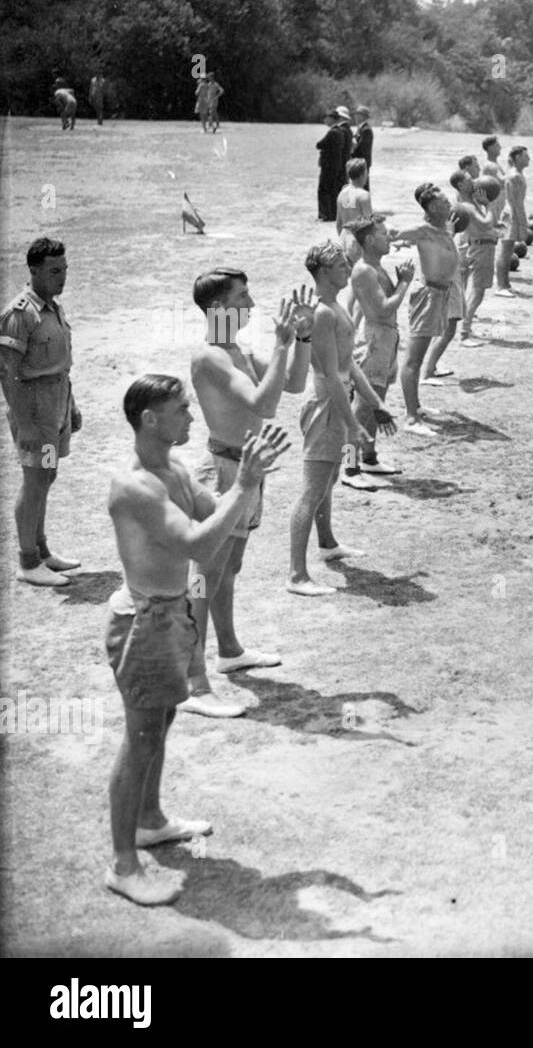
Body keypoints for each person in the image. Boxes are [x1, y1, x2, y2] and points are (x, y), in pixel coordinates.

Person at [106, 375, 288, 904]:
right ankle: (123, 865)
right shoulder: (137, 485)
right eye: (181, 410)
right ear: (150, 420)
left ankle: (149, 819)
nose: (191, 417)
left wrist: (246, 482)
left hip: (171, 616)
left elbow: (216, 515)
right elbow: (197, 545)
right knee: (139, 741)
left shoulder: (176, 468)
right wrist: (246, 483)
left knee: (160, 722)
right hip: (145, 623)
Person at [187, 268, 315, 717]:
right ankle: (193, 683)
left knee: (229, 567)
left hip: (247, 469)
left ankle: (228, 650)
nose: (251, 302)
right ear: (219, 308)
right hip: (224, 471)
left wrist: (301, 339)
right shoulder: (211, 358)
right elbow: (263, 404)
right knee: (205, 575)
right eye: (242, 296)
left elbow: (293, 385)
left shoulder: (237, 350)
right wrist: (281, 345)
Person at [288, 241, 395, 596]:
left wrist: (374, 401)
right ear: (322, 272)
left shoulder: (336, 307)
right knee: (312, 489)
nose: (347, 270)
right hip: (326, 406)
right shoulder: (323, 314)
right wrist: (353, 425)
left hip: (338, 400)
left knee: (329, 478)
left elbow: (348, 364)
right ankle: (297, 576)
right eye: (339, 267)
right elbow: (332, 375)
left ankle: (328, 542)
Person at [0, 238, 81, 587]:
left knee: (46, 476)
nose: (61, 277)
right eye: (54, 271)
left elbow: (60, 366)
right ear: (33, 271)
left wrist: (70, 406)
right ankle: (27, 561)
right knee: (35, 481)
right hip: (34, 408)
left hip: (56, 404)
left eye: (63, 270)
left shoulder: (53, 306)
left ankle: (42, 550)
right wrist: (27, 423)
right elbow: (8, 373)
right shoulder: (20, 314)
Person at [343, 217, 409, 484]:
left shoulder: (375, 266)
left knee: (376, 401)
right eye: (383, 234)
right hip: (376, 339)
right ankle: (349, 467)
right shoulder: (364, 271)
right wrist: (404, 282)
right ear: (370, 240)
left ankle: (369, 458)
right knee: (362, 407)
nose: (388, 238)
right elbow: (383, 308)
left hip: (387, 338)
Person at [390, 184, 460, 434]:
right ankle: (411, 418)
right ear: (432, 207)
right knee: (413, 359)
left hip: (441, 294)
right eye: (444, 201)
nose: (450, 203)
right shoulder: (424, 230)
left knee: (419, 358)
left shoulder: (445, 227)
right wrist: (396, 241)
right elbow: (393, 234)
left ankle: (416, 406)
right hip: (428, 296)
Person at [446, 170, 493, 348]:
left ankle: (465, 329)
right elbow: (485, 223)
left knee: (466, 290)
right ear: (460, 185)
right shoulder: (470, 205)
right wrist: (488, 206)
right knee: (478, 291)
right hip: (480, 247)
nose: (472, 180)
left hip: (468, 246)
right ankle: (464, 333)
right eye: (468, 179)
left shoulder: (462, 199)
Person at [495, 145, 530, 296]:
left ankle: (506, 285)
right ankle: (501, 287)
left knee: (508, 253)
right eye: (525, 156)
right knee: (505, 252)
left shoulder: (517, 174)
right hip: (511, 215)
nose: (528, 158)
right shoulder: (514, 176)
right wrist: (522, 222)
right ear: (517, 158)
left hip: (513, 215)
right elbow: (514, 201)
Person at [336, 159, 373, 265]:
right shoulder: (363, 195)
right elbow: (369, 225)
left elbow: (339, 224)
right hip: (358, 242)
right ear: (362, 174)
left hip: (344, 239)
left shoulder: (342, 194)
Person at [316, 111, 346, 222]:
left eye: (326, 118)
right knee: (332, 191)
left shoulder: (332, 132)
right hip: (335, 166)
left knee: (323, 190)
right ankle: (333, 214)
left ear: (332, 119)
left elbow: (319, 144)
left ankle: (325, 215)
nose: (325, 120)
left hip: (328, 166)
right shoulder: (340, 132)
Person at [351, 105, 373, 190]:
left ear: (363, 116)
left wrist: (351, 154)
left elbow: (362, 147)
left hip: (362, 162)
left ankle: (365, 203)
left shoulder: (366, 129)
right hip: (360, 162)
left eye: (358, 115)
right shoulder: (361, 128)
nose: (356, 117)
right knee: (359, 186)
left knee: (363, 187)